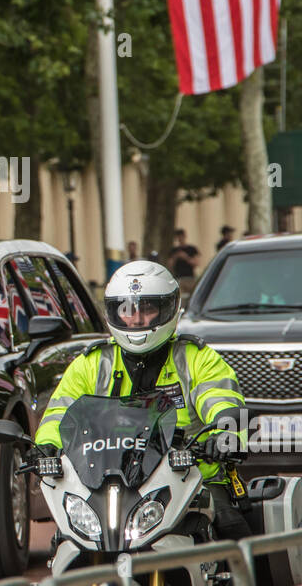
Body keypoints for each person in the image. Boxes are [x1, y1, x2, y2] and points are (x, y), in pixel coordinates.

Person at [32, 261, 252, 541]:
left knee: (232, 530)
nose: (135, 319)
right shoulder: (91, 363)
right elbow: (60, 412)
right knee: (67, 540)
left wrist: (224, 436)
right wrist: (46, 447)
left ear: (169, 309)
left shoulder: (197, 358)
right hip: (107, 480)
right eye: (126, 309)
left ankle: (236, 585)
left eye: (147, 308)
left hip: (192, 477)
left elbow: (223, 401)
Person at [168, 229, 200, 295]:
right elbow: (170, 266)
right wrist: (175, 257)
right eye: (178, 237)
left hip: (190, 278)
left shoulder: (192, 249)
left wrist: (186, 257)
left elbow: (196, 263)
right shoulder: (174, 250)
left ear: (184, 236)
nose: (180, 238)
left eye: (181, 236)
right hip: (179, 278)